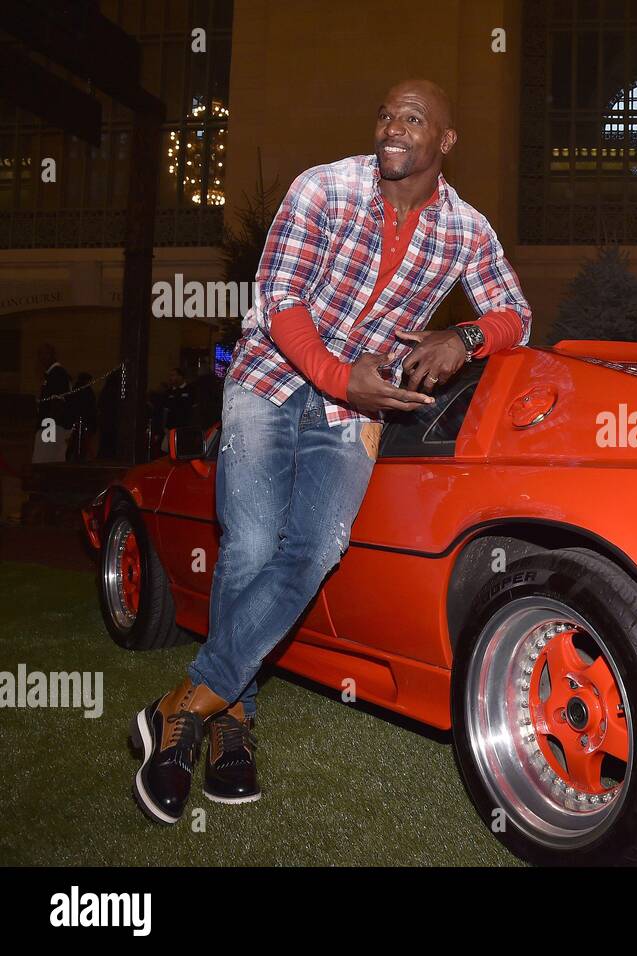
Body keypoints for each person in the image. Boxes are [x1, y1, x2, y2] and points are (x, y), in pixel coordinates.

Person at [130, 78, 532, 825]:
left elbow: (516, 313)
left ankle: (183, 705)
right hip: (270, 380)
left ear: (444, 141)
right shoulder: (324, 188)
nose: (392, 128)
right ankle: (233, 724)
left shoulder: (466, 229)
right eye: (384, 113)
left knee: (316, 548)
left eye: (412, 119)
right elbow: (280, 300)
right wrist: (340, 377)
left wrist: (463, 336)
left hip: (356, 408)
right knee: (249, 544)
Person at [33, 344, 73, 464]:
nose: (40, 359)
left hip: (51, 426)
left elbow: (58, 403)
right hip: (53, 426)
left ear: (52, 355)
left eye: (44, 354)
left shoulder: (57, 374)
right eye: (39, 355)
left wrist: (48, 429)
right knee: (53, 460)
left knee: (43, 461)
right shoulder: (53, 374)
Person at [67, 372, 98, 462]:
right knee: (82, 445)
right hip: (85, 422)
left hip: (77, 421)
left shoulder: (75, 390)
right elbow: (89, 408)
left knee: (75, 444)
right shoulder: (87, 391)